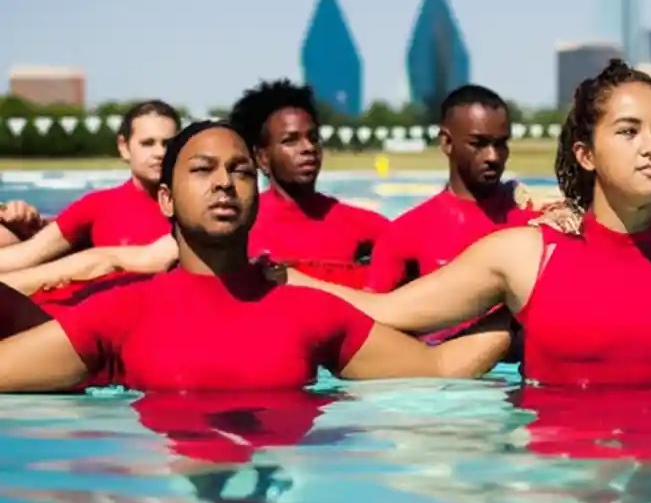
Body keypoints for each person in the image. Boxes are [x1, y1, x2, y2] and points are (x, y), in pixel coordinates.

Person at [282, 59, 651, 387]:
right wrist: (288, 281)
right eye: (628, 131)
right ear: (586, 154)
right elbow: (388, 311)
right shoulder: (524, 254)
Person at [0, 121, 508, 393]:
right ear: (166, 200)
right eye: (202, 170)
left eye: (240, 170)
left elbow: (438, 365)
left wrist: (524, 299)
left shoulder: (309, 310)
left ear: (256, 191)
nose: (224, 182)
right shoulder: (120, 314)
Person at [366, 85, 538, 293]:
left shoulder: (534, 222)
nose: (493, 156)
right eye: (478, 144)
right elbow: (372, 317)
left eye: (501, 144)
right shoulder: (407, 233)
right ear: (447, 142)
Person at [229, 79, 390, 280]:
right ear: (262, 157)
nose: (308, 148)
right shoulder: (236, 230)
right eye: (291, 140)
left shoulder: (368, 228)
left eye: (313, 137)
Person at [0, 100, 178, 274]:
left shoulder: (193, 206)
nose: (160, 153)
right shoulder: (97, 206)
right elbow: (27, 254)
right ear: (124, 147)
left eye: (168, 144)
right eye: (147, 143)